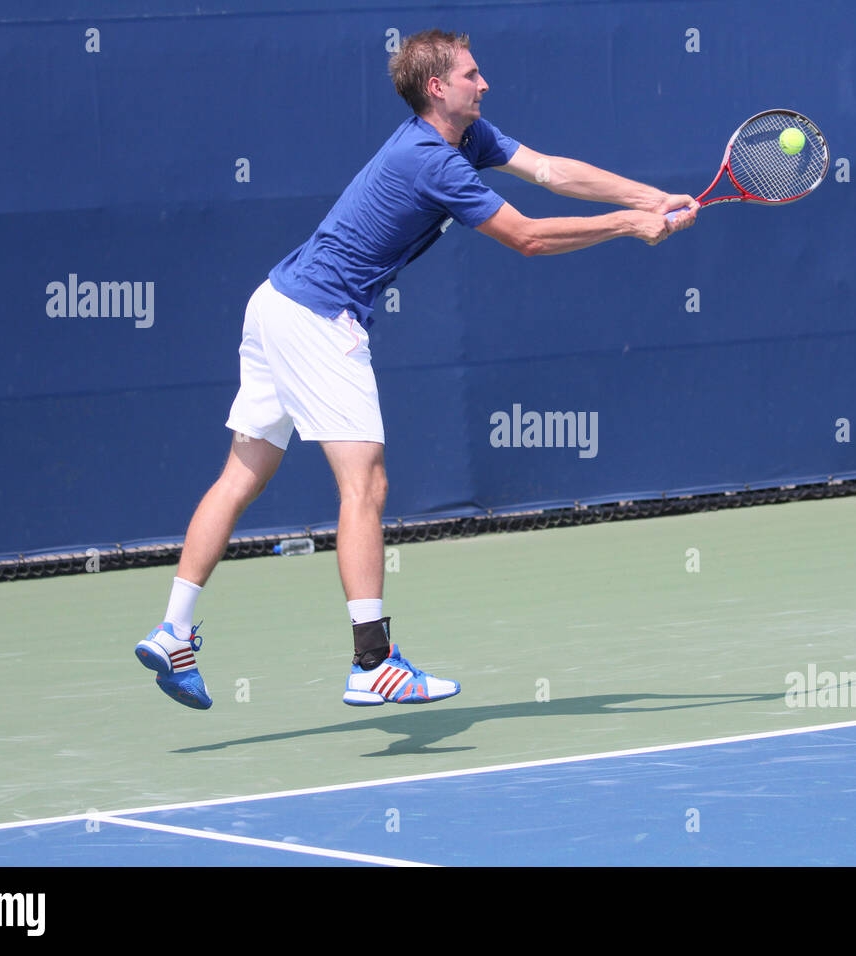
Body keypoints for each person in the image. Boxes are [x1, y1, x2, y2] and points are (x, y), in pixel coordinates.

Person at [134, 29, 697, 710]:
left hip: (274, 302)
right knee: (364, 484)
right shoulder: (433, 159)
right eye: (472, 74)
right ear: (437, 88)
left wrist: (650, 199)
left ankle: (174, 629)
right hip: (317, 318)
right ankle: (372, 661)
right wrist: (627, 227)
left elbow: (550, 170)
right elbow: (525, 236)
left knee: (242, 474)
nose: (484, 84)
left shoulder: (471, 136)